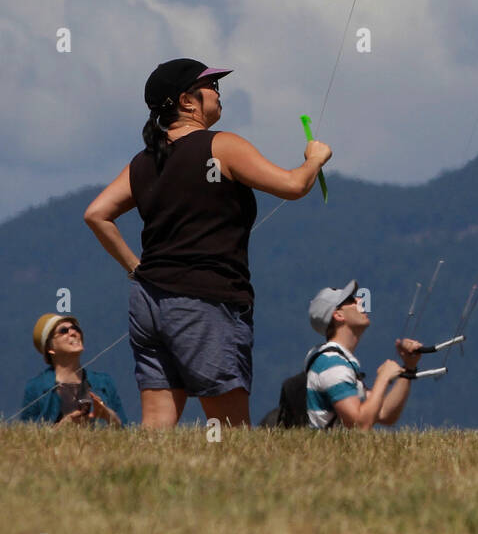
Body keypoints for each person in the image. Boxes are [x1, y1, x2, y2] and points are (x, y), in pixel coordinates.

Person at [84, 58, 332, 430]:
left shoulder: (144, 161)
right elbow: (294, 186)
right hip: (204, 299)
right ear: (187, 101)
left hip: (149, 302)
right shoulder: (222, 145)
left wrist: (136, 270)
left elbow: (96, 214)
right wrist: (315, 159)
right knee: (230, 426)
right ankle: (235, 485)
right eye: (211, 86)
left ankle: (142, 486)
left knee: (156, 425)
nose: (218, 93)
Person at [306, 282, 421, 430]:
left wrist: (408, 369)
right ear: (338, 315)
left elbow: (384, 413)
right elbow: (360, 425)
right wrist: (383, 378)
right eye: (351, 300)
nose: (360, 301)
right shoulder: (332, 365)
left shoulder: (339, 361)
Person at [21, 314, 127, 427]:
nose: (73, 333)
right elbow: (27, 436)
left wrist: (107, 415)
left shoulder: (104, 382)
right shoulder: (36, 388)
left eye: (76, 329)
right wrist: (63, 426)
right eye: (63, 331)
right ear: (50, 348)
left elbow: (125, 431)